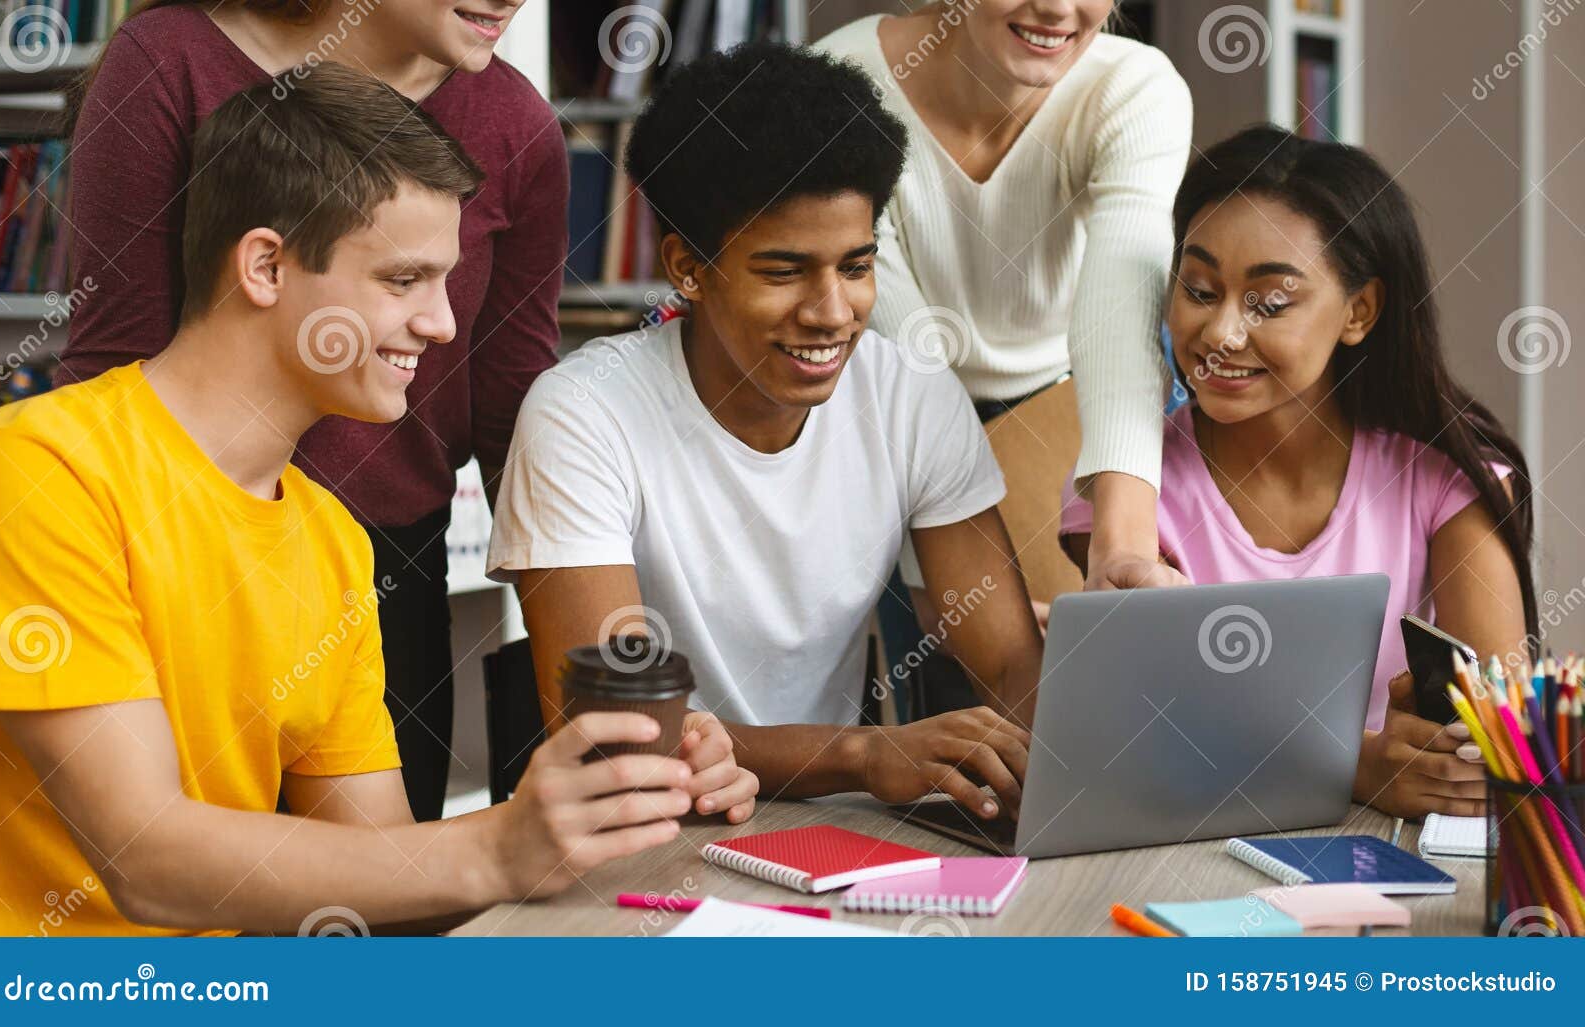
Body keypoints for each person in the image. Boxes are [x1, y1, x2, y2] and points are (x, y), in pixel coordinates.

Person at [0, 66, 749, 938]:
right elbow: (147, 862)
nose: (443, 324)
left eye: (446, 284)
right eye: (403, 280)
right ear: (267, 265)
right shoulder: (40, 472)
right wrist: (500, 844)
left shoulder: (332, 539)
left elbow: (383, 864)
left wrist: (606, 805)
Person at [489, 43, 1043, 823]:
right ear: (688, 267)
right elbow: (613, 737)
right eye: (784, 272)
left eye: (856, 266)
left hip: (830, 824)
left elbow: (1013, 662)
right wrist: (860, 752)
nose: (831, 312)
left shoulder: (912, 395)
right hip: (639, 825)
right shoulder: (582, 413)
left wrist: (1041, 755)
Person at [57, 0, 564, 821]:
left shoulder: (516, 123)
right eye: (405, 281)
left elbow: (516, 417)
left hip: (381, 566)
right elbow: (110, 363)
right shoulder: (173, 60)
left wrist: (597, 687)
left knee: (372, 917)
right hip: (175, 551)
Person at [1060, 126, 1535, 819]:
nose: (1221, 333)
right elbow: (1141, 740)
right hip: (1186, 846)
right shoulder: (1132, 490)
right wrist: (1356, 763)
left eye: (1269, 303)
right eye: (1198, 288)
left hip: (1393, 855)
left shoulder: (1444, 482)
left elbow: (1503, 740)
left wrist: (1448, 756)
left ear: (1359, 311)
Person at [817, 1, 1193, 596]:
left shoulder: (1133, 89)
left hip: (1078, 393)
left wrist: (1119, 545)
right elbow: (905, 351)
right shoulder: (838, 83)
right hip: (897, 395)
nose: (1055, 7)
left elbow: (1120, 324)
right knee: (946, 655)